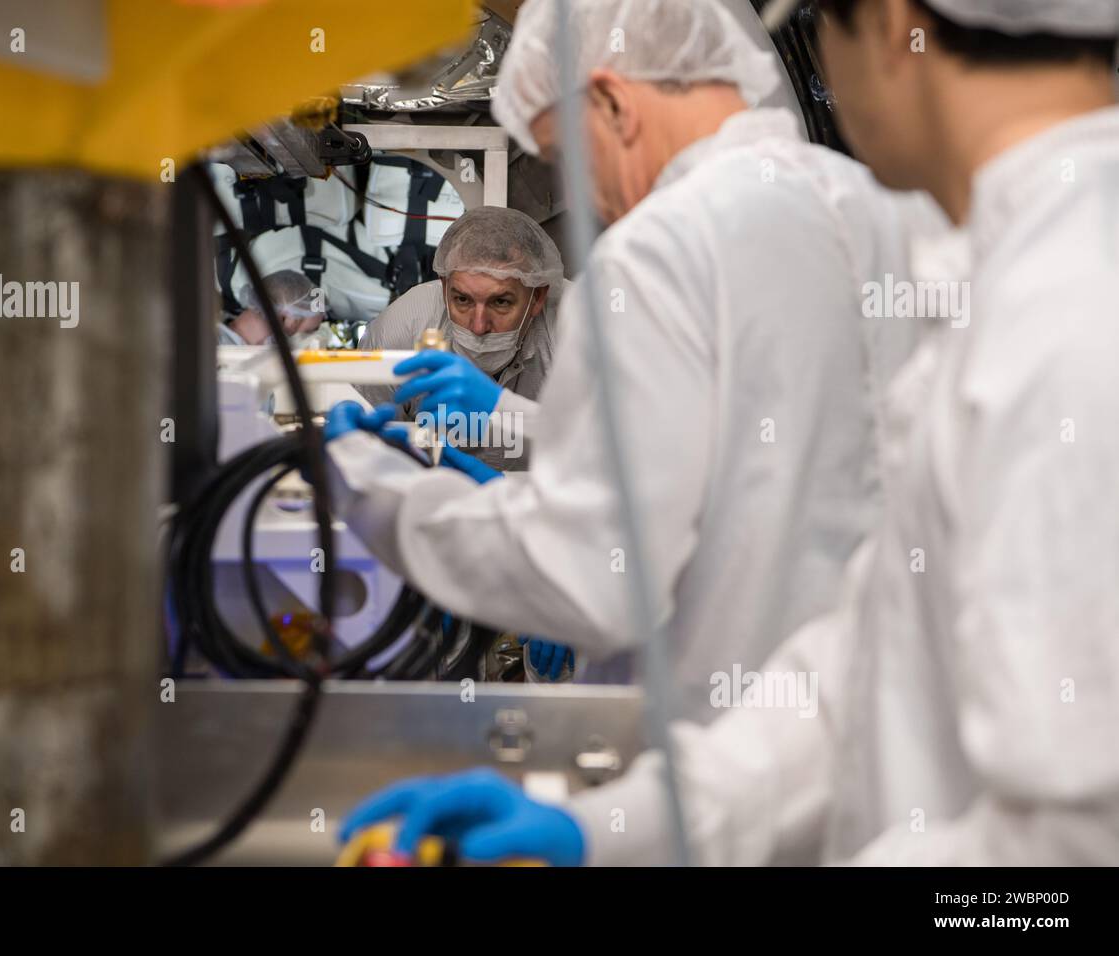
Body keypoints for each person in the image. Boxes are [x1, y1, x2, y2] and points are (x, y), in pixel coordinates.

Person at [341, 0, 1119, 866]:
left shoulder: (1061, 304)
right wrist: (607, 830)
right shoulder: (938, 236)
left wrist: (377, 494)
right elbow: (864, 661)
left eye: (567, 160)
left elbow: (1073, 839)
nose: (584, 198)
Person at [326, 0, 936, 715]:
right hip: (851, 707)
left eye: (568, 158)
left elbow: (586, 577)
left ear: (613, 102)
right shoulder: (887, 216)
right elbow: (713, 454)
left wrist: (378, 493)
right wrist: (523, 431)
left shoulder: (656, 254)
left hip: (708, 711)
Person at [356, 205, 569, 473]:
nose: (478, 326)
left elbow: (604, 450)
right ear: (445, 286)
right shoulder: (405, 328)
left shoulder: (574, 328)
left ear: (537, 297)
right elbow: (361, 447)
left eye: (501, 302)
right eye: (462, 300)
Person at [216, 269, 322, 346]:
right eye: (309, 331)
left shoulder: (234, 346)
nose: (310, 338)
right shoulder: (211, 345)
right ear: (288, 320)